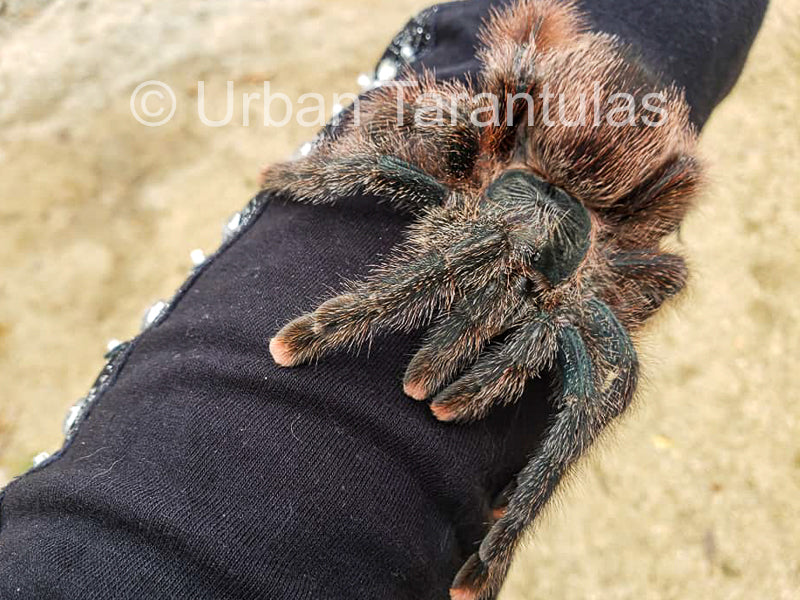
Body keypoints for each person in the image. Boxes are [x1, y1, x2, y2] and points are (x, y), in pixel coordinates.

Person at [0, 1, 767, 598]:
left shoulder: (594, 276)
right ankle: (323, 306)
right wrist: (309, 193)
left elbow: (662, 281)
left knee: (612, 377)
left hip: (602, 200)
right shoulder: (486, 141)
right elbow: (431, 96)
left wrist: (501, 528)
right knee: (426, 102)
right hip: (556, 145)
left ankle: (502, 534)